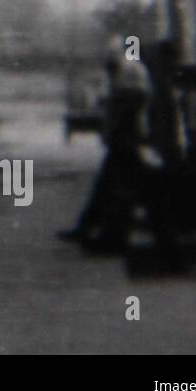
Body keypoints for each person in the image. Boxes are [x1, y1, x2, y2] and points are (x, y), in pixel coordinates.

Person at [58, 36, 151, 253]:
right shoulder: (128, 70)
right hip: (126, 138)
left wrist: (113, 132)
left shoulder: (129, 72)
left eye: (109, 56)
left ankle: (111, 238)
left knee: (120, 190)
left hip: (126, 139)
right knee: (107, 186)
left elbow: (127, 105)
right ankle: (89, 228)